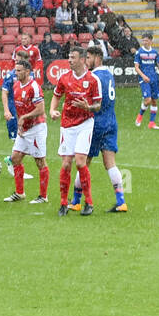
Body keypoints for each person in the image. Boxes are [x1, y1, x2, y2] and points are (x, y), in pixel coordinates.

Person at [73, 45, 129, 213]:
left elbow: (93, 103)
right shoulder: (109, 74)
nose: (86, 61)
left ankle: (76, 201)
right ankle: (121, 202)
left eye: (88, 58)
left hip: (96, 123)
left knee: (83, 162)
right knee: (110, 163)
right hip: (111, 122)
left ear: (98, 57)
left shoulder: (93, 78)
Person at [48, 46, 102, 216]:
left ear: (82, 59)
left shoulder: (93, 80)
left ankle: (89, 202)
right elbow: (56, 95)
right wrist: (52, 110)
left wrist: (89, 107)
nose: (70, 60)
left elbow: (98, 105)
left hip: (85, 123)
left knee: (80, 162)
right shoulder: (64, 78)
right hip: (67, 124)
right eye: (69, 57)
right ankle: (64, 203)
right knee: (66, 163)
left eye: (73, 57)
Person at [2, 55, 50, 204]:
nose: (16, 73)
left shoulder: (34, 87)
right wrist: (20, 123)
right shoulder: (16, 86)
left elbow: (41, 109)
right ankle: (20, 193)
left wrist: (25, 117)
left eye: (19, 70)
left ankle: (43, 196)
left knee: (40, 161)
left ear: (28, 71)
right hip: (24, 129)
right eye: (15, 70)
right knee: (15, 158)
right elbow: (19, 108)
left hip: (37, 128)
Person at [133, 31, 159, 129]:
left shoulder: (155, 52)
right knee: (147, 100)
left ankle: (151, 123)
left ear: (150, 41)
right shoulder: (139, 52)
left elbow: (158, 64)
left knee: (154, 101)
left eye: (146, 40)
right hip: (144, 79)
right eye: (143, 40)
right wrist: (143, 76)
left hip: (154, 78)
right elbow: (136, 67)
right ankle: (140, 115)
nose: (144, 42)